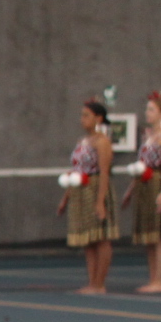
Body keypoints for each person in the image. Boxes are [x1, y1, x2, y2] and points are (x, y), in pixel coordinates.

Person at [57, 98, 117, 293]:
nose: (82, 119)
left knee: (101, 238)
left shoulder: (102, 142)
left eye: (86, 116)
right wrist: (66, 197)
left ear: (98, 118)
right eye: (81, 115)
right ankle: (92, 281)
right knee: (88, 240)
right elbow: (77, 169)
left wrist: (100, 202)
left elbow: (104, 172)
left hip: (95, 187)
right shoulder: (81, 141)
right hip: (80, 190)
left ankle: (100, 283)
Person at [122, 91, 161, 293]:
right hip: (143, 185)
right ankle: (152, 278)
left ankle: (159, 280)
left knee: (160, 237)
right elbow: (141, 165)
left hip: (157, 183)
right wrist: (130, 190)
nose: (147, 113)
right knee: (150, 237)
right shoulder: (147, 136)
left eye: (152, 110)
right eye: (147, 109)